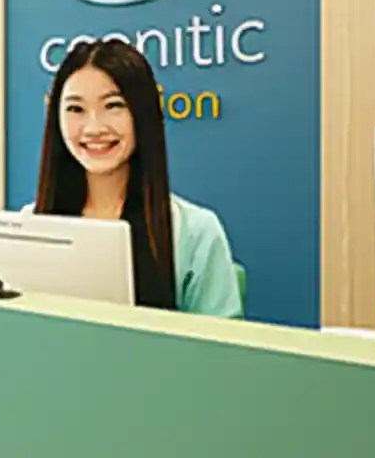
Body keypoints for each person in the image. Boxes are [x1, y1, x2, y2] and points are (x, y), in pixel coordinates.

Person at [24, 38, 242, 318]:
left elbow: (220, 353)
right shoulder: (31, 223)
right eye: (75, 109)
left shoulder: (194, 231)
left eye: (113, 106)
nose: (94, 128)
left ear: (142, 114)